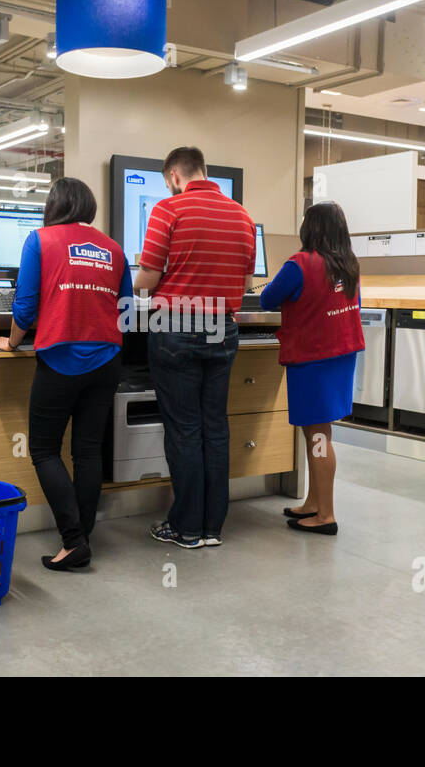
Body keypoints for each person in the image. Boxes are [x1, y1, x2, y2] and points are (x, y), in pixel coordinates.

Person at [0, 178, 132, 571]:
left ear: (54, 205)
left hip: (61, 359)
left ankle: (74, 540)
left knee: (45, 449)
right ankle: (83, 535)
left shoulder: (40, 239)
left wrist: (12, 343)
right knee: (87, 450)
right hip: (107, 359)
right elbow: (128, 306)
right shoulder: (114, 248)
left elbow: (26, 306)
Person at [135, 147, 256, 549]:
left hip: (176, 328)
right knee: (215, 427)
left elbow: (148, 279)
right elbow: (242, 286)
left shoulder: (168, 210)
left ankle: (186, 528)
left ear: (173, 174)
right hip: (222, 329)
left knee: (185, 429)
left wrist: (139, 276)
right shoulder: (241, 215)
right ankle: (211, 528)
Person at [260, 201, 364, 536]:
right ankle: (313, 502)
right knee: (318, 431)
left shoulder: (300, 264)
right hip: (341, 355)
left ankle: (326, 515)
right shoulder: (348, 266)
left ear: (310, 228)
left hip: (313, 357)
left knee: (318, 434)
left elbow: (266, 299)